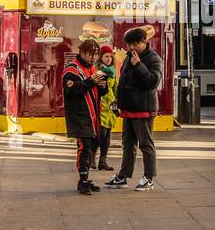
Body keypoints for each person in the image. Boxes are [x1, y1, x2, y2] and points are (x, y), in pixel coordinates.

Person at [105, 27, 162, 192]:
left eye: (135, 44)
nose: (131, 48)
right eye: (129, 44)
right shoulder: (129, 57)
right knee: (127, 144)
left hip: (144, 108)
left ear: (144, 41)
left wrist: (139, 66)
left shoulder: (153, 59)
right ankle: (123, 176)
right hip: (128, 108)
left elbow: (152, 82)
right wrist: (118, 102)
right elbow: (124, 81)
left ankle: (148, 178)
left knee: (145, 144)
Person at [62, 39, 108, 195]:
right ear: (82, 52)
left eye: (95, 55)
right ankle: (83, 181)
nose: (93, 58)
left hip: (93, 115)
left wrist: (103, 86)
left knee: (93, 146)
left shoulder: (93, 68)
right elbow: (73, 90)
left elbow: (98, 91)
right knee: (84, 148)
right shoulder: (71, 70)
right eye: (90, 54)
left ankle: (86, 178)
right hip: (80, 115)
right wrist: (91, 81)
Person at [96, 45, 118, 171]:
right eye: (106, 56)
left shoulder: (112, 70)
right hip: (100, 104)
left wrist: (117, 102)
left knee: (108, 134)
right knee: (101, 133)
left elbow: (116, 87)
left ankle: (102, 161)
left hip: (110, 106)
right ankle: (92, 157)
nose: (109, 59)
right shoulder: (97, 69)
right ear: (101, 57)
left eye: (110, 56)